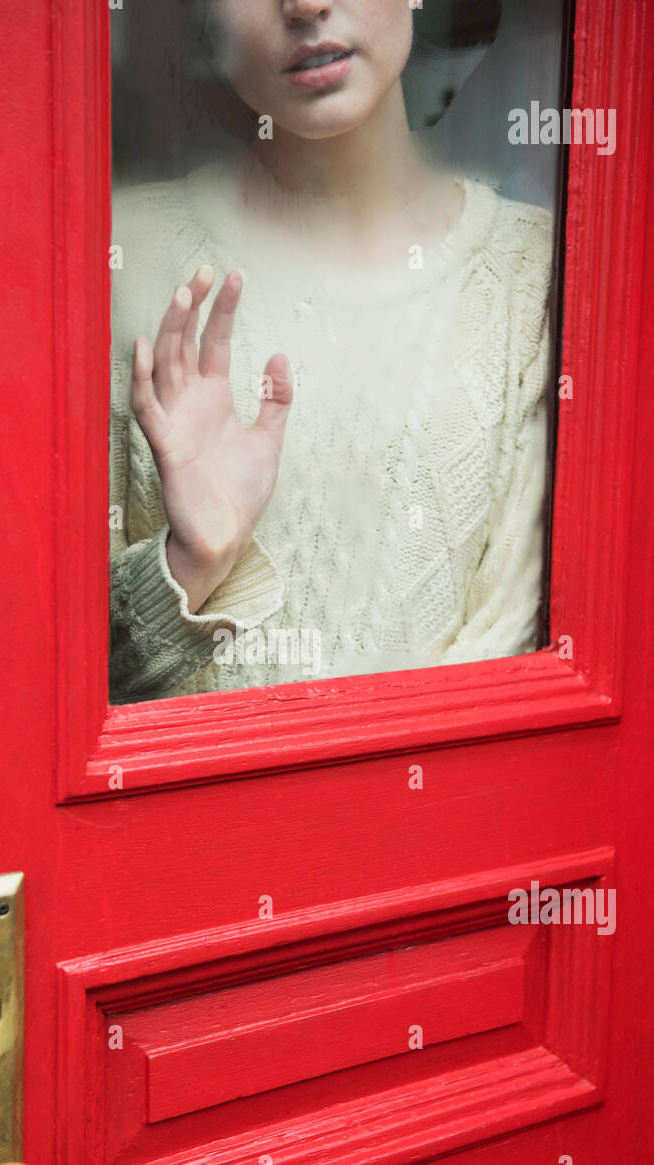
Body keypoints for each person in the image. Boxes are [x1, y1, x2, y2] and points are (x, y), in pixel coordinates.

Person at [109, 0, 553, 703]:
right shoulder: (119, 256)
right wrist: (190, 563)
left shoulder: (536, 273)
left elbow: (518, 671)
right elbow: (46, 695)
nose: (306, 5)